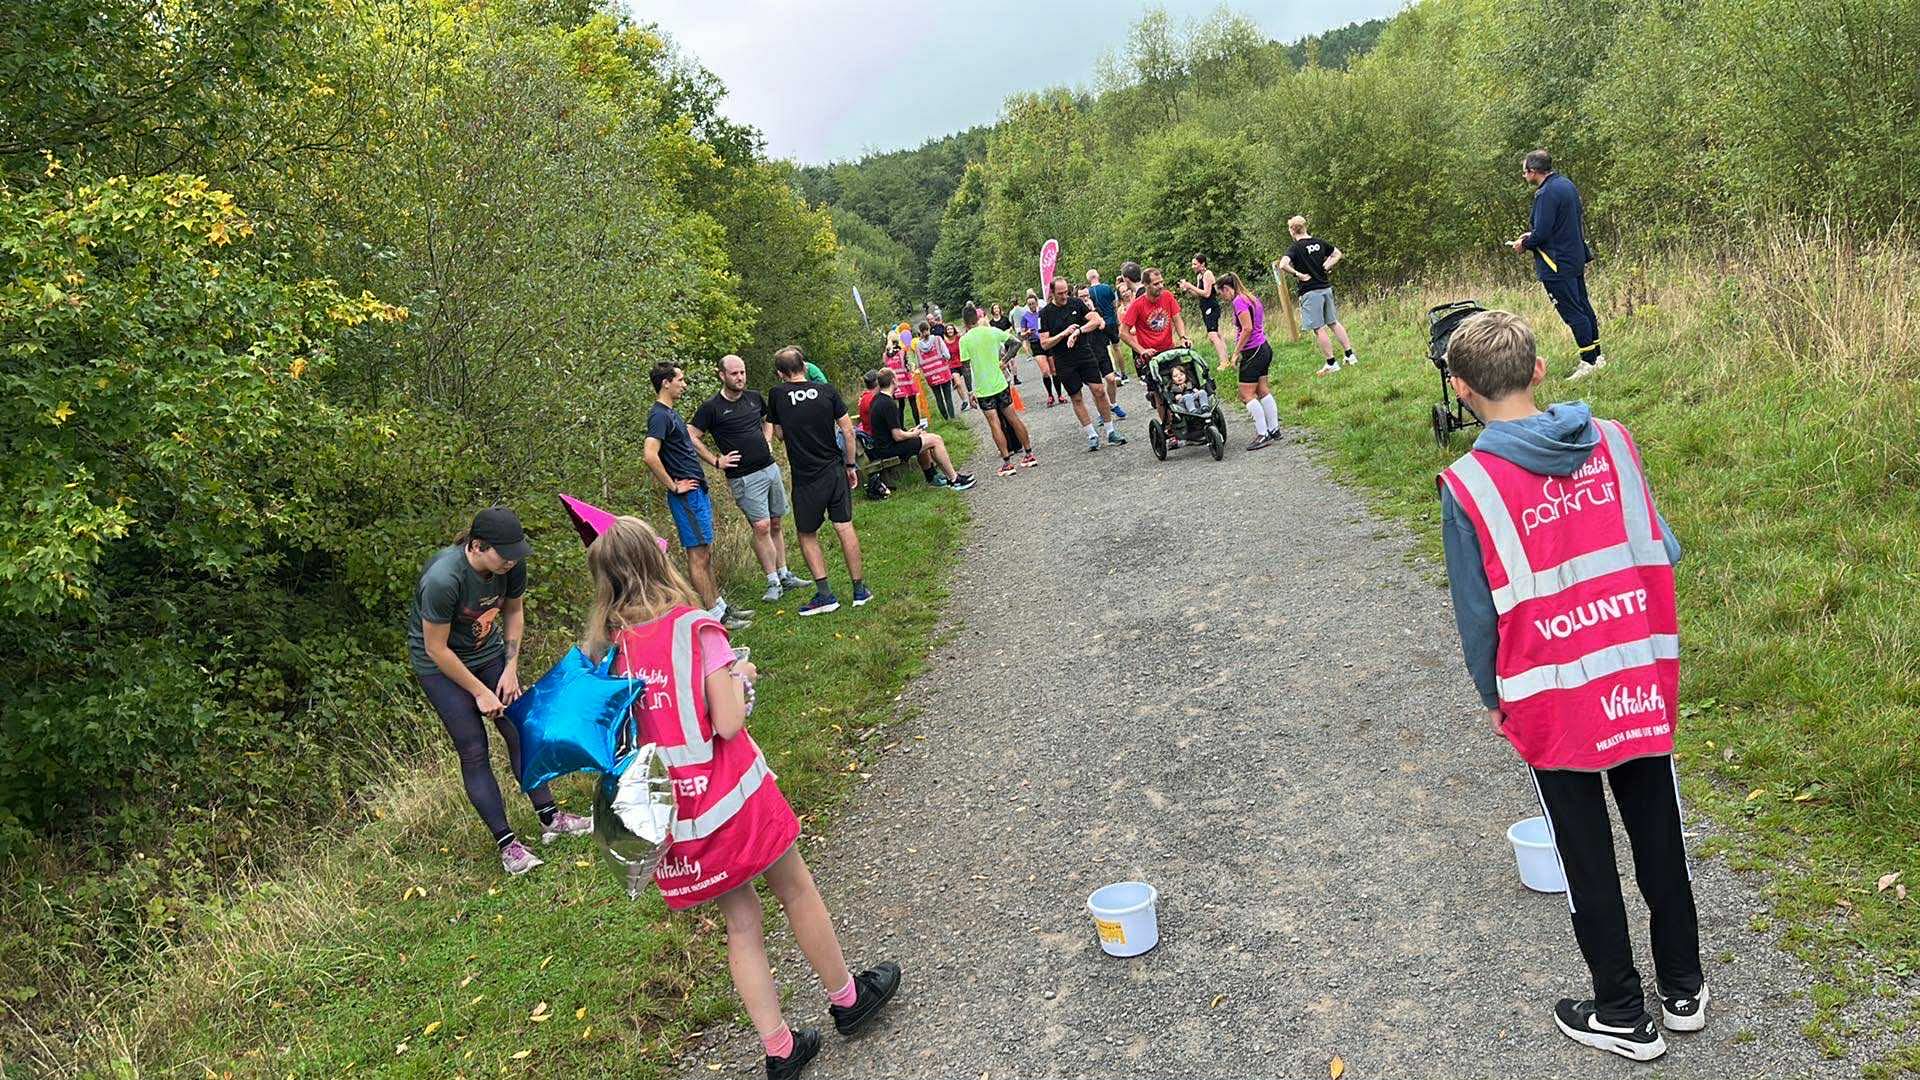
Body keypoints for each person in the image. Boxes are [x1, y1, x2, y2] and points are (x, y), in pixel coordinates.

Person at [1437, 310, 1700, 1063]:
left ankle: (1622, 1009)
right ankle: (1683, 988)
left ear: (1459, 389)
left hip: (1549, 692)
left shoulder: (1469, 484)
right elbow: (1661, 544)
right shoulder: (1614, 440)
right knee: (1658, 828)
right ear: (1540, 369)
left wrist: (1494, 697)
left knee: (1584, 852)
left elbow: (1476, 612)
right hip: (1634, 669)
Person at [582, 516, 900, 1078]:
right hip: (734, 798)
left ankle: (779, 1048)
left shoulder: (610, 652)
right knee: (797, 889)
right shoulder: (695, 628)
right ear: (659, 563)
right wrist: (741, 674)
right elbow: (727, 722)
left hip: (678, 815)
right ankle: (848, 1000)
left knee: (742, 924)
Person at [408, 507, 591, 876]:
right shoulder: (444, 579)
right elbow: (436, 649)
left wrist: (510, 668)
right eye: (504, 554)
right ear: (477, 546)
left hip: (489, 654)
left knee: (520, 728)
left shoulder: (511, 564)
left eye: (515, 553)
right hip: (441, 667)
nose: (512, 561)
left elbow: (514, 612)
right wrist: (479, 692)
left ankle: (550, 818)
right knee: (474, 749)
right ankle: (508, 845)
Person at [691, 355, 810, 604]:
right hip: (743, 477)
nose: (740, 377)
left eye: (742, 372)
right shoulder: (711, 407)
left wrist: (767, 438)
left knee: (776, 522)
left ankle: (784, 573)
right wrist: (716, 460)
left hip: (769, 468)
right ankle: (772, 580)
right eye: (734, 373)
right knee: (761, 526)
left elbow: (769, 419)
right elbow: (691, 435)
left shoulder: (754, 397)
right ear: (721, 375)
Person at [765, 347, 871, 615]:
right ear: (805, 365)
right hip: (834, 469)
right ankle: (860, 590)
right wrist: (850, 465)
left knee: (807, 533)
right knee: (844, 526)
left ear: (781, 373)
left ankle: (825, 595)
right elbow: (848, 431)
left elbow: (778, 434)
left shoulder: (777, 395)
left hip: (805, 475)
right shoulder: (828, 391)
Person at [645, 363, 751, 630]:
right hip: (686, 497)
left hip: (697, 492)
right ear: (665, 383)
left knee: (705, 552)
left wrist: (713, 463)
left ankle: (720, 607)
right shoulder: (658, 415)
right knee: (698, 555)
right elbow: (649, 454)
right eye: (680, 379)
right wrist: (673, 485)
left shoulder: (670, 413)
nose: (684, 384)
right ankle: (713, 615)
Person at [1512, 149, 1606, 381]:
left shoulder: (1544, 194)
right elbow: (1560, 224)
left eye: (1524, 172)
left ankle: (1588, 362)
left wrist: (1524, 243)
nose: (1524, 176)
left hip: (1556, 263)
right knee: (1583, 306)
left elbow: (1542, 233)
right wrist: (1532, 234)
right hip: (1574, 257)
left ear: (1533, 171)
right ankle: (1597, 356)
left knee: (1573, 313)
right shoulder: (1566, 185)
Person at [1038, 276, 1126, 452]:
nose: (1064, 296)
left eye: (1066, 292)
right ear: (1052, 293)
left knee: (1099, 391)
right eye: (1060, 293)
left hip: (1085, 354)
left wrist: (1078, 330)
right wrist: (1063, 334)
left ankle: (1110, 431)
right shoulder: (1046, 313)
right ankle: (1092, 434)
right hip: (1063, 360)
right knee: (1076, 397)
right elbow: (1044, 343)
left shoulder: (1077, 303)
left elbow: (1095, 320)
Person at [957, 303, 1038, 477]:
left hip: (983, 389)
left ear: (965, 322)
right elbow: (1015, 343)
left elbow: (965, 368)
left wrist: (970, 392)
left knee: (994, 424)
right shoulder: (992, 331)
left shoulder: (964, 340)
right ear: (978, 318)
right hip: (1000, 383)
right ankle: (1029, 454)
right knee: (1013, 418)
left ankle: (1007, 463)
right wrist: (1005, 360)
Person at [869, 369, 976, 489]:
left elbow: (889, 431)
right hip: (888, 449)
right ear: (893, 381)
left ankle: (931, 476)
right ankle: (954, 479)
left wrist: (912, 432)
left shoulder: (878, 399)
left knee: (923, 435)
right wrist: (913, 434)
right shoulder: (888, 403)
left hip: (883, 445)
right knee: (936, 440)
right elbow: (897, 436)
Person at [1119, 267, 1192, 442]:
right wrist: (1141, 349)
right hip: (1150, 356)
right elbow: (1123, 332)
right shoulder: (1138, 305)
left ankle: (1190, 419)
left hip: (1169, 349)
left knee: (1182, 383)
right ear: (1145, 284)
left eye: (1161, 283)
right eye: (1156, 284)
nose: (1160, 286)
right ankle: (1168, 427)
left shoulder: (1167, 297)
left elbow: (1176, 318)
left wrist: (1183, 336)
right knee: (1161, 393)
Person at [1279, 215, 1356, 376]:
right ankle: (1350, 355)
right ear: (1305, 227)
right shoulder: (1319, 243)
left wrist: (1298, 274)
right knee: (1333, 322)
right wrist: (1326, 265)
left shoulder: (1295, 248)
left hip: (1310, 291)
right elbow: (1337, 254)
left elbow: (1283, 264)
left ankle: (1331, 362)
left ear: (1293, 230)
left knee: (1318, 328)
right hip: (1325, 287)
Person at [1215, 273, 1279, 451]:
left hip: (1253, 351)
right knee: (1262, 389)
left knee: (1246, 394)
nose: (1223, 298)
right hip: (1264, 347)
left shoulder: (1238, 301)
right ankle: (1274, 428)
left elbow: (1247, 328)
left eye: (1221, 294)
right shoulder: (1252, 297)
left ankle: (1262, 434)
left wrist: (1235, 353)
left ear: (1227, 289)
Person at [1084, 270, 1127, 417]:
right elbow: (1114, 304)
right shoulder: (1077, 311)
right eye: (1082, 297)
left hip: (1101, 340)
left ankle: (1114, 403)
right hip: (1087, 351)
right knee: (1096, 387)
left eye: (1087, 297)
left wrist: (1097, 314)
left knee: (1110, 379)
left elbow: (1102, 319)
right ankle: (1103, 412)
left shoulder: (1095, 307)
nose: (1086, 299)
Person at [1178, 254, 1229, 365]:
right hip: (1204, 307)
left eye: (1195, 264)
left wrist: (1190, 285)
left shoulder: (1207, 274)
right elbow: (1198, 294)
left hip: (1211, 306)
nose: (1193, 266)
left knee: (1212, 335)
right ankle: (1227, 359)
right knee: (1217, 334)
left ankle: (1224, 362)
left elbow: (1206, 293)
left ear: (1202, 264)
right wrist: (1187, 289)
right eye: (1192, 264)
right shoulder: (1199, 276)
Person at [914, 320, 958, 421]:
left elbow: (919, 363)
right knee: (948, 397)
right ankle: (952, 418)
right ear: (929, 329)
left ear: (920, 332)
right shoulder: (937, 339)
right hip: (943, 372)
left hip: (930, 376)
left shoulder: (917, 346)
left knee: (938, 398)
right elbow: (947, 355)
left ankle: (946, 419)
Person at [1018, 292, 1057, 405]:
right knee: (1045, 371)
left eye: (1033, 303)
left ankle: (1059, 395)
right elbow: (1022, 333)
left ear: (1037, 303)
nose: (1032, 306)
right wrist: (1027, 333)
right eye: (1029, 304)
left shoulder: (1043, 312)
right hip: (1036, 343)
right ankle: (1050, 395)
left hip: (1047, 341)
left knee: (1054, 370)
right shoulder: (1025, 316)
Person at [881, 334, 923, 429]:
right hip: (907, 381)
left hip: (895, 383)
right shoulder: (902, 352)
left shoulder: (885, 355)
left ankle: (901, 427)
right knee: (913, 403)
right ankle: (918, 425)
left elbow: (886, 367)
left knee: (901, 405)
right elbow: (907, 366)